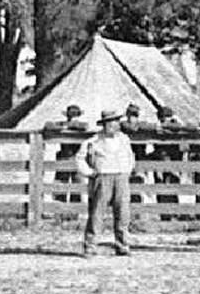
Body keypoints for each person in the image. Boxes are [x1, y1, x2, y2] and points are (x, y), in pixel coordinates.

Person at [75, 108, 136, 257]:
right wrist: (89, 172)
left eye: (115, 121)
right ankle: (90, 245)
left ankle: (122, 245)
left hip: (121, 177)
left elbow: (130, 156)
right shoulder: (93, 141)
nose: (113, 125)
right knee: (97, 213)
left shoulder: (124, 139)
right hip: (102, 178)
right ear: (104, 124)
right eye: (109, 122)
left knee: (123, 213)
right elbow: (79, 158)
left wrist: (128, 170)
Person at [44, 103, 88, 204]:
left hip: (77, 158)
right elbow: (48, 125)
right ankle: (62, 211)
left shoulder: (80, 125)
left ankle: (76, 211)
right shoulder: (62, 124)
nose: (73, 118)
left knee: (78, 186)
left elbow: (83, 126)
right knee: (62, 186)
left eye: (75, 115)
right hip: (64, 157)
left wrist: (68, 125)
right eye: (71, 115)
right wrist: (64, 126)